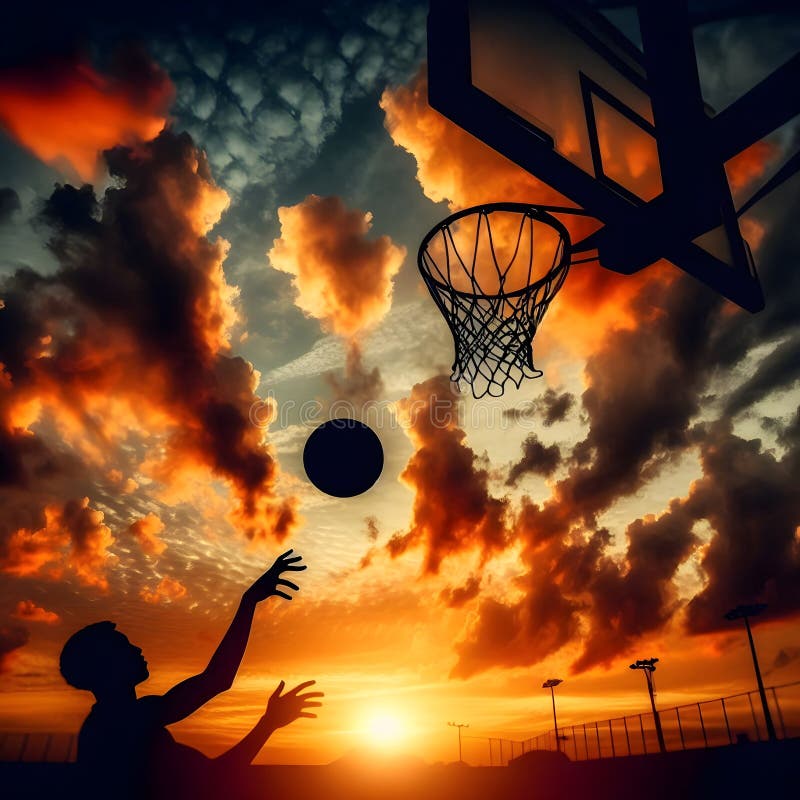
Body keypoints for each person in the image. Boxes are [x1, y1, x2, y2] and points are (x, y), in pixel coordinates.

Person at [59, 549, 322, 798]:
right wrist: (248, 602)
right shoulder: (122, 724)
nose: (136, 648)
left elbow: (215, 684)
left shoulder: (125, 719)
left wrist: (268, 724)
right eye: (122, 645)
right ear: (106, 666)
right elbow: (216, 682)